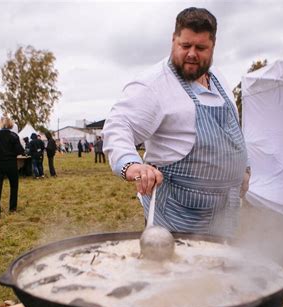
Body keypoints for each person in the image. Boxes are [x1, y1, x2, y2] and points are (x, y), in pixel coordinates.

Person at [103, 7, 250, 237]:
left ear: (213, 47)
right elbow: (119, 125)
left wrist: (243, 169)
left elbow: (232, 134)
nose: (192, 54)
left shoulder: (219, 78)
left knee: (218, 272)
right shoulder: (154, 85)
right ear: (174, 40)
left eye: (200, 48)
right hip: (177, 220)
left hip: (224, 217)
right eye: (185, 46)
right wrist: (132, 164)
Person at [0, 117, 24, 219]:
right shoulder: (13, 136)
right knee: (14, 186)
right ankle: (12, 208)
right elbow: (20, 150)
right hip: (10, 164)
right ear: (11, 125)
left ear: (1, 125)